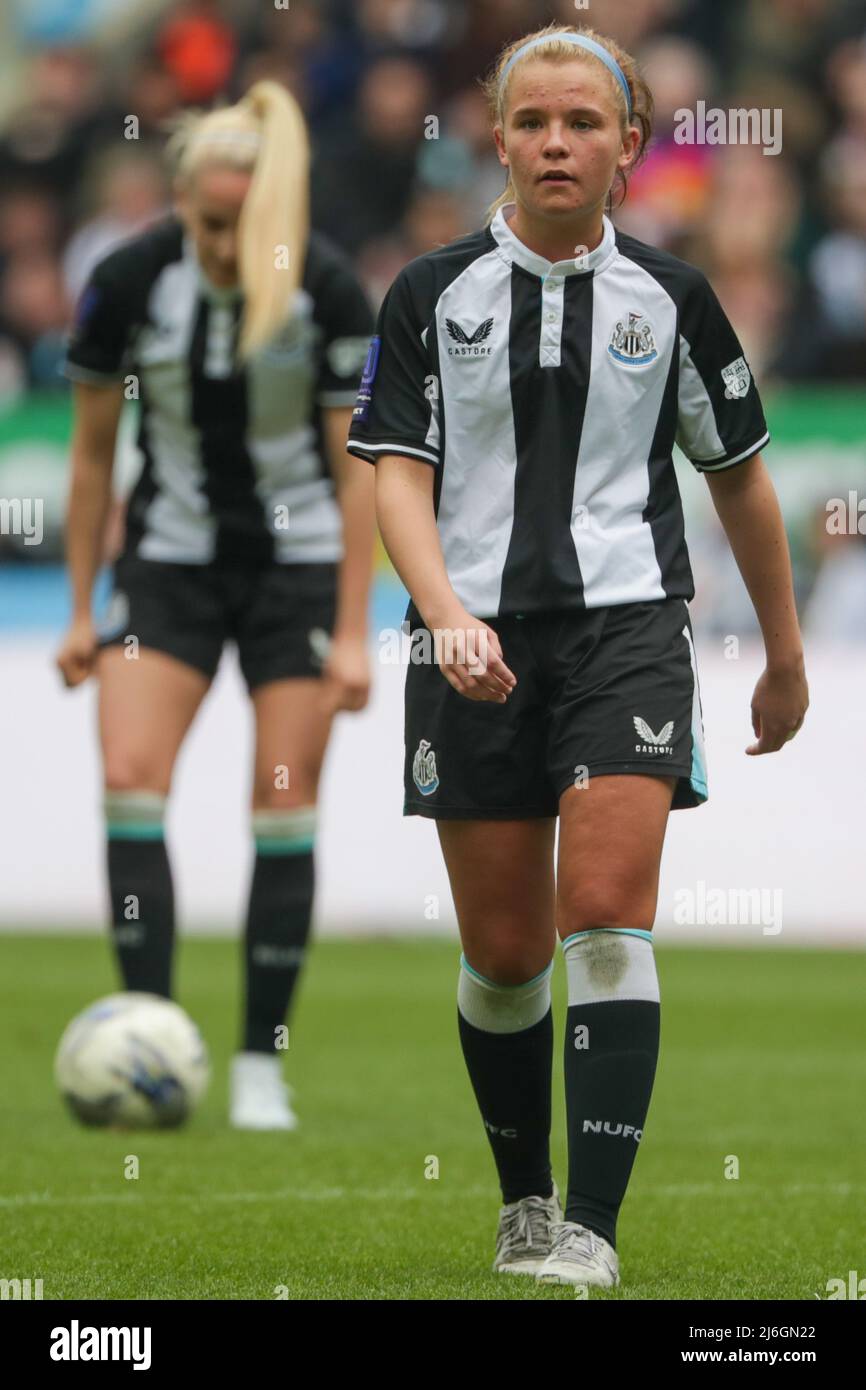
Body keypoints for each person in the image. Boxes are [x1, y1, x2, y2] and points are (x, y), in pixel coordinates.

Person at [347, 24, 809, 1287]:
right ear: (498, 139)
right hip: (469, 638)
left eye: (583, 124)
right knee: (503, 957)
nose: (556, 142)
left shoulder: (675, 300)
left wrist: (779, 653)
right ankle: (525, 1201)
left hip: (626, 634)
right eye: (533, 122)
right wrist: (442, 609)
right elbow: (396, 473)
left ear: (627, 148)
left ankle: (594, 1232)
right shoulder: (427, 294)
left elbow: (741, 481)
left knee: (601, 913)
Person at [56, 81, 376, 1130]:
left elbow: (357, 469)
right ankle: (149, 1025)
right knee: (128, 778)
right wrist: (79, 610)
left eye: (246, 222)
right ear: (180, 202)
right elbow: (95, 455)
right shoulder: (127, 281)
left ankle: (256, 1062)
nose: (228, 243)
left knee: (280, 803)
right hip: (171, 563)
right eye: (210, 223)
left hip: (296, 569)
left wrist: (354, 627)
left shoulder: (324, 289)